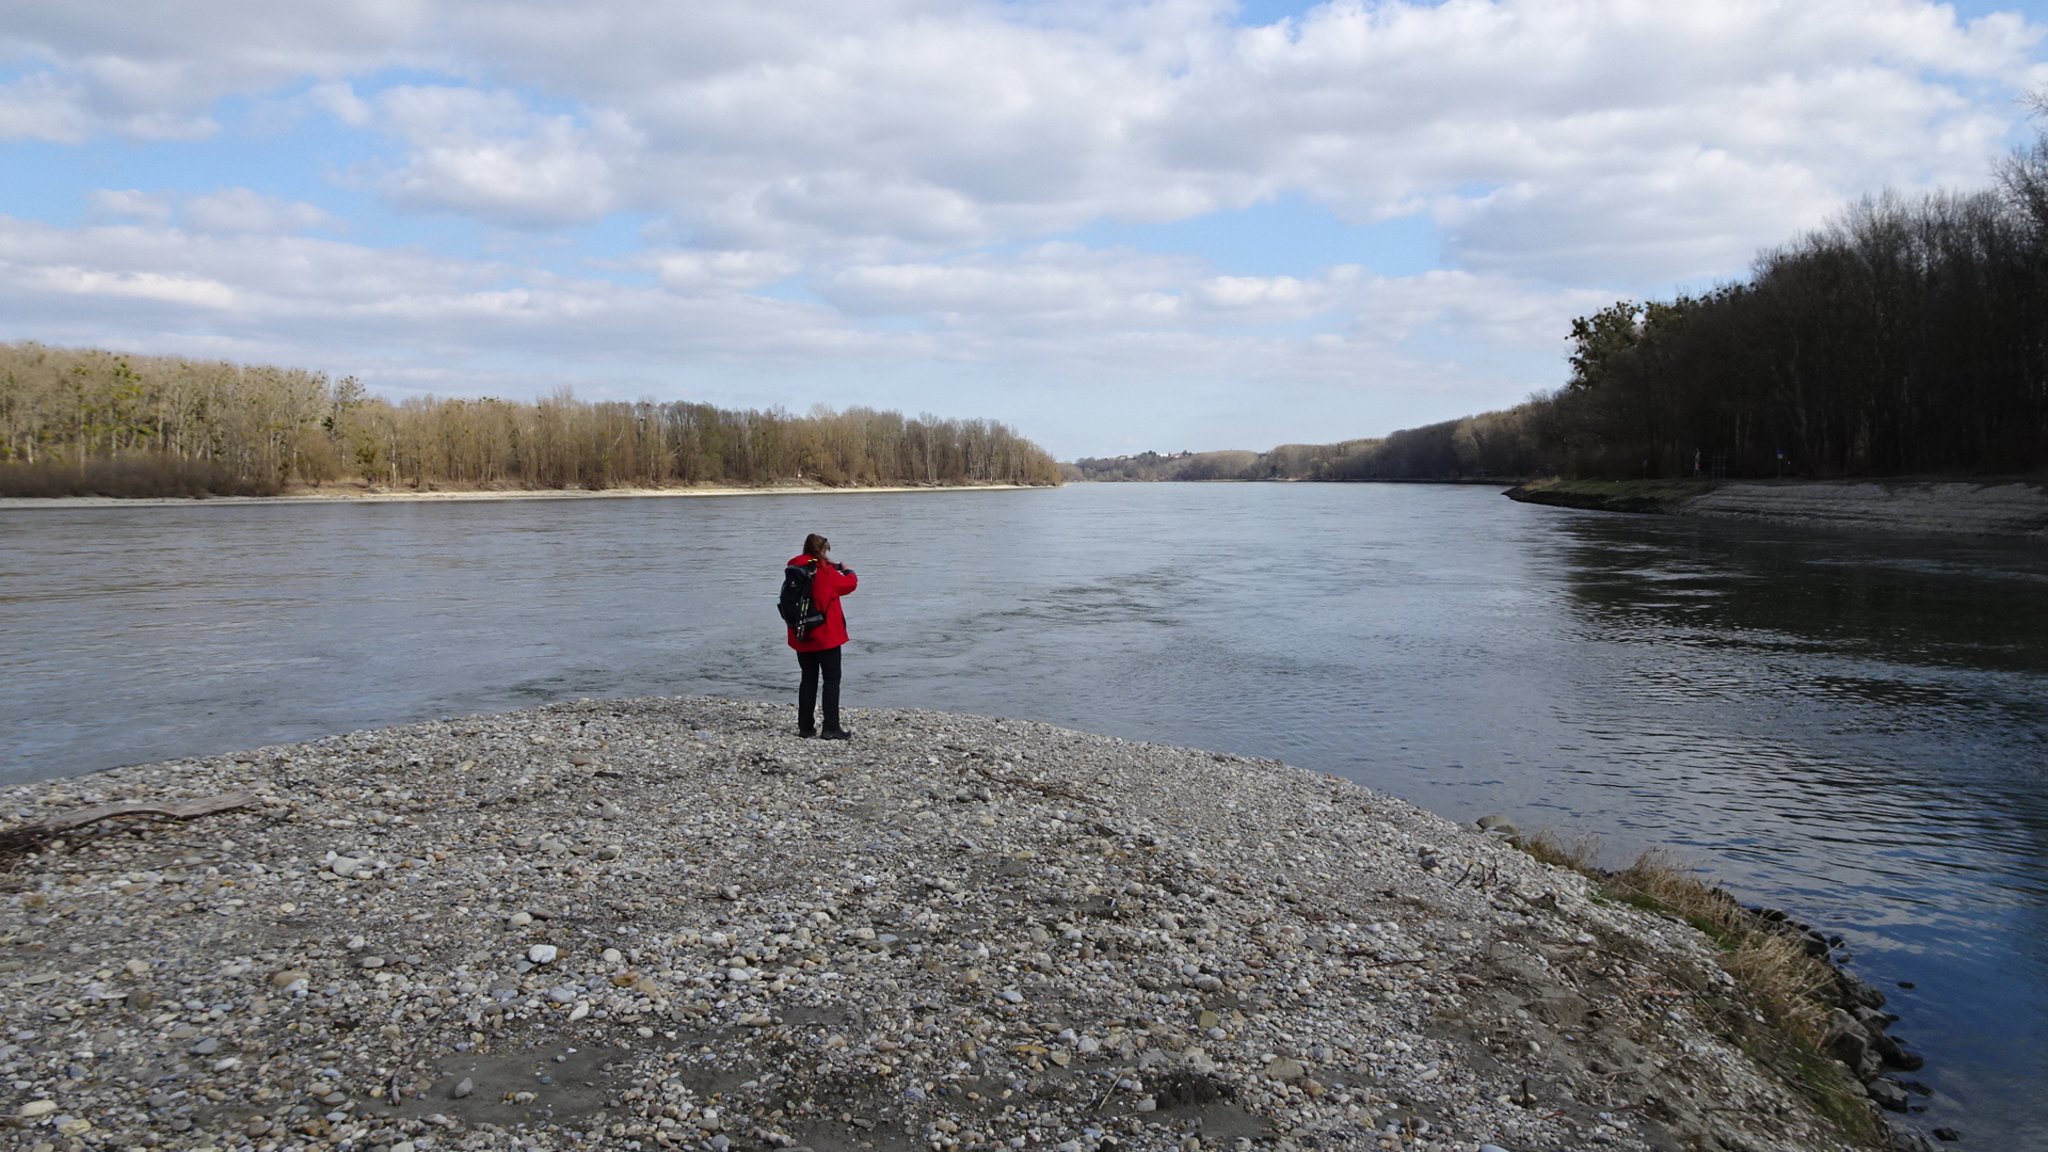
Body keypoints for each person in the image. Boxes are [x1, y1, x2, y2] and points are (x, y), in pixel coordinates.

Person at [787, 532, 858, 739]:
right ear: (823, 550)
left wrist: (827, 565)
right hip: (826, 636)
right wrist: (848, 570)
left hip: (802, 635)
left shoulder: (795, 568)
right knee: (831, 680)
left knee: (808, 680)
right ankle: (831, 727)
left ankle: (805, 727)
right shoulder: (825, 572)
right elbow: (850, 584)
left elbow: (811, 565)